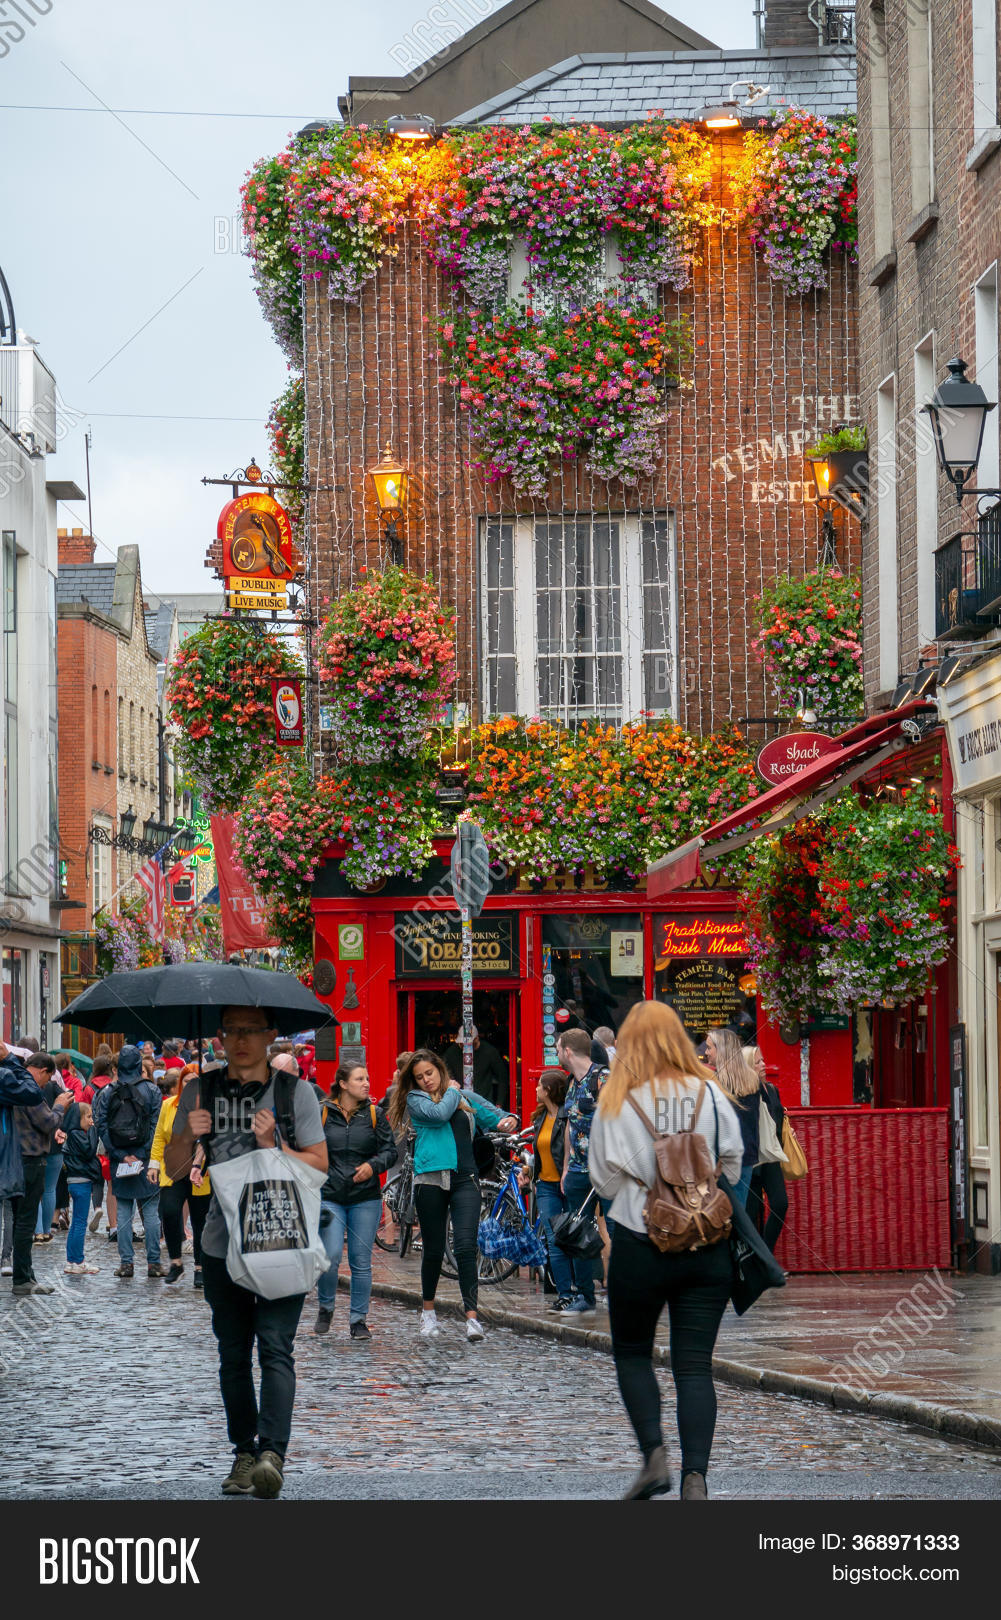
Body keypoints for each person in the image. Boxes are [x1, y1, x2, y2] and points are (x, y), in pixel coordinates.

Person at [164, 1005, 327, 1500]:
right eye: (232, 1030)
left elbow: (319, 1165)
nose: (240, 1040)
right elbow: (174, 1166)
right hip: (220, 1243)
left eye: (251, 1030)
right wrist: (189, 1134)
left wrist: (273, 1143)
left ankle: (273, 1453)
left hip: (280, 1237)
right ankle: (245, 1451)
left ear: (270, 1036)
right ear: (219, 1037)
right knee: (233, 1354)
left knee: (276, 1347)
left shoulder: (295, 1092)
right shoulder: (200, 1089)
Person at [589, 1000, 743, 1501]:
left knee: (633, 1354)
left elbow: (604, 1182)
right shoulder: (712, 1093)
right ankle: (695, 1477)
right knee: (695, 1364)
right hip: (706, 1243)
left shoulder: (617, 1098)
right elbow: (736, 1166)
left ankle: (654, 1458)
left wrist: (650, 1176)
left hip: (639, 1239)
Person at [387, 1048, 516, 1341]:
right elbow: (440, 1113)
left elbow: (492, 1115)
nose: (425, 1081)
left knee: (466, 1246)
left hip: (465, 1178)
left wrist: (508, 1120)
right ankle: (428, 1312)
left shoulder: (462, 1096)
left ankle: (472, 1319)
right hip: (430, 1180)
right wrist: (454, 1093)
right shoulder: (416, 1099)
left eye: (429, 1073)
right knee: (433, 1249)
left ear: (440, 1069)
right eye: (419, 1077)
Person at [314, 1062, 397, 1340]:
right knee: (331, 1254)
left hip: (365, 1198)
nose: (366, 1083)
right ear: (343, 1083)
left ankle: (358, 1320)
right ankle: (326, 1307)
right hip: (329, 1195)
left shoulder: (376, 1114)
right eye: (360, 1079)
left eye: (367, 1077)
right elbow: (306, 1147)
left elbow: (390, 1151)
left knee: (362, 1260)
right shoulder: (322, 1112)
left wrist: (373, 1166)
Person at [93, 1045, 164, 1279]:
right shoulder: (152, 1091)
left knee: (124, 1210)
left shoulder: (107, 1092)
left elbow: (101, 1126)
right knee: (151, 1211)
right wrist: (145, 1154)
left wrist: (120, 1154)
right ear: (138, 1065)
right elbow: (156, 1126)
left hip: (120, 1157)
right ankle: (154, 1263)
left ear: (117, 1066)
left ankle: (127, 1263)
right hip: (146, 1157)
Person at [519, 1068, 583, 1314]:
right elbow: (541, 1152)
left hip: (568, 1185)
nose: (535, 1089)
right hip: (546, 1186)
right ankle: (565, 1294)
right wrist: (528, 1171)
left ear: (548, 1091)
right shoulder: (540, 1117)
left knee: (573, 1239)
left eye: (539, 1086)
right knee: (554, 1241)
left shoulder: (568, 1118)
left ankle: (581, 1291)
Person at [555, 1026, 609, 1316]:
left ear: (568, 1051)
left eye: (558, 1048)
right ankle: (584, 1296)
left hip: (608, 1169)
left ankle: (622, 1291)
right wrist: (565, 1168)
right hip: (577, 1169)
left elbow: (618, 1120)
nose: (556, 1053)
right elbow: (568, 1128)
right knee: (578, 1233)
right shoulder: (571, 1084)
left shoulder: (604, 1078)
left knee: (615, 1228)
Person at [10, 1053, 70, 1295]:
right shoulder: (29, 1090)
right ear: (42, 1071)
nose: (46, 1084)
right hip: (30, 1160)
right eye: (47, 1078)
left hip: (17, 1159)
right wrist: (59, 1107)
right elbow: (47, 1122)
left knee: (19, 1220)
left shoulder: (15, 1086)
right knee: (25, 1221)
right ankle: (22, 1279)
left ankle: (25, 1275)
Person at [149, 1062, 211, 1289]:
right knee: (169, 1210)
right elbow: (159, 1137)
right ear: (180, 1084)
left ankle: (200, 1267)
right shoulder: (169, 1105)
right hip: (172, 1170)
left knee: (200, 1219)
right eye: (187, 1081)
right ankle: (176, 1261)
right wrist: (153, 1165)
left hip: (200, 1172)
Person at [1, 1042, 45, 1286]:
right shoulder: (4, 1076)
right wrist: (9, 1060)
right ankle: (21, 1276)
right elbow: (32, 1092)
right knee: (20, 1217)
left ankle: (22, 1274)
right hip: (8, 1160)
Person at [704, 1027, 760, 1208]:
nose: (706, 1053)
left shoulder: (714, 1082)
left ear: (721, 1050)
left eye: (709, 1048)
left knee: (718, 1214)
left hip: (720, 1159)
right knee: (739, 1213)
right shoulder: (752, 1079)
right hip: (747, 1155)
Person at [744, 1045, 789, 1253]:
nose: (763, 1065)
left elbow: (778, 1120)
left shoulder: (771, 1090)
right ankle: (753, 1260)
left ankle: (765, 1254)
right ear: (746, 1067)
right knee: (751, 1213)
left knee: (780, 1204)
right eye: (757, 1062)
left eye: (763, 1060)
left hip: (770, 1156)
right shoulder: (742, 1094)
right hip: (751, 1160)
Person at [62, 1100, 103, 1276]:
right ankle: (78, 1261)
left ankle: (71, 1260)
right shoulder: (77, 1134)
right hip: (81, 1181)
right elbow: (89, 1150)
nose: (91, 1120)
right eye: (88, 1117)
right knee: (79, 1222)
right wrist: (94, 1131)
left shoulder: (72, 1134)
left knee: (76, 1223)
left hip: (74, 1181)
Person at [442, 1024, 509, 1108]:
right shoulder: (451, 1053)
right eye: (462, 1044)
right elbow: (446, 1076)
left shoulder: (489, 1052)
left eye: (468, 1044)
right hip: (460, 1103)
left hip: (485, 1103)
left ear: (476, 1039)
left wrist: (499, 1103)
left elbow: (502, 1077)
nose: (464, 1047)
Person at [87, 1056, 117, 1237]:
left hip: (101, 1143)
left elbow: (90, 1114)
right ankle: (117, 1224)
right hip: (119, 1145)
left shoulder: (92, 1088)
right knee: (115, 1184)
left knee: (99, 1179)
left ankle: (99, 1208)